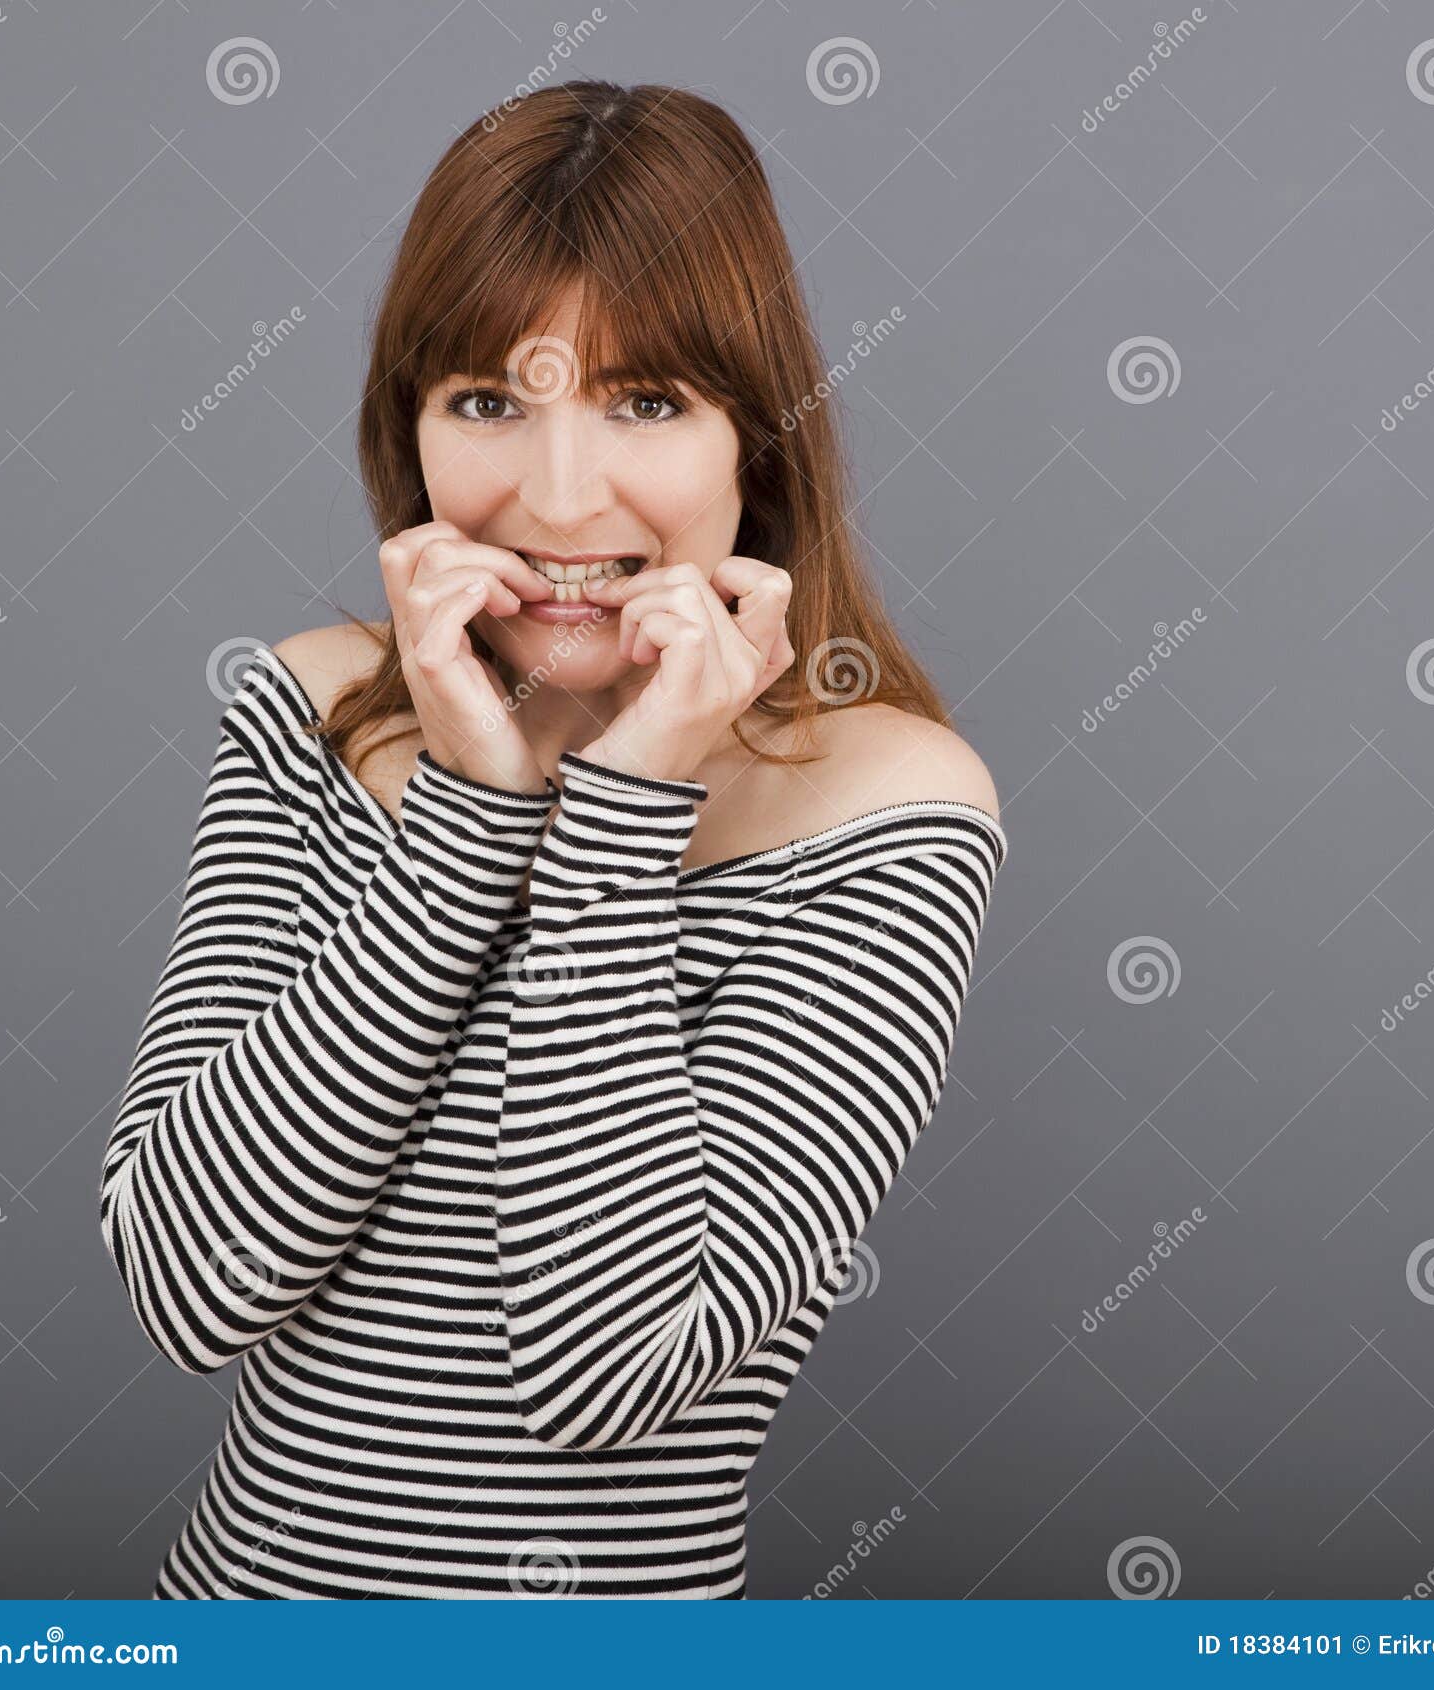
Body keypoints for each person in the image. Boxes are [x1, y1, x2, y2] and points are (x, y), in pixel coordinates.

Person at [99, 79, 1008, 1600]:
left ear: (753, 446)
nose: (558, 495)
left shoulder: (893, 810)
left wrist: (619, 815)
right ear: (413, 428)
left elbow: (611, 1367)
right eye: (488, 399)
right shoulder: (309, 714)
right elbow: (192, 1286)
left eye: (646, 402)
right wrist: (468, 814)